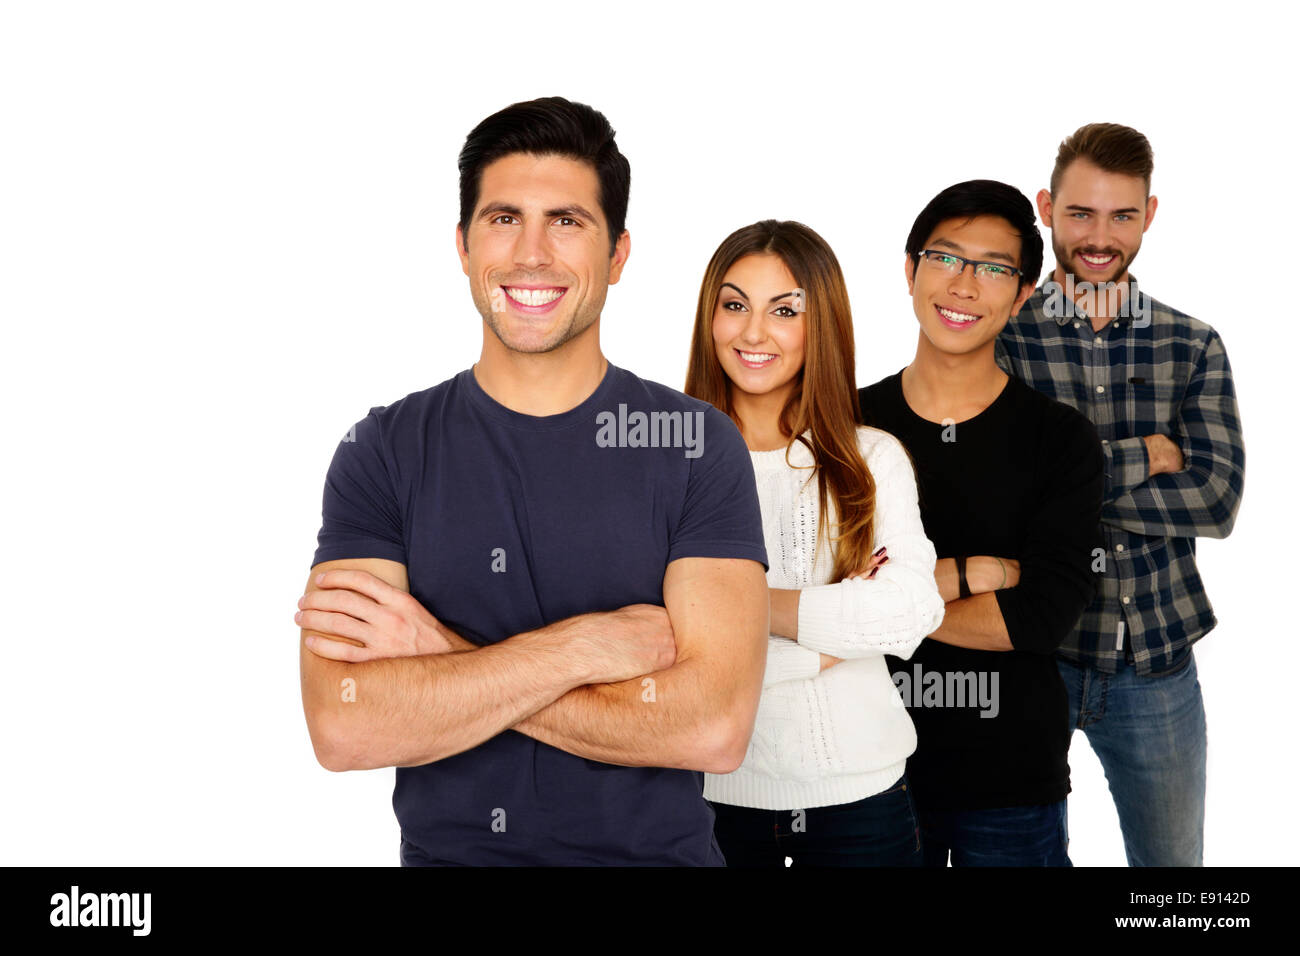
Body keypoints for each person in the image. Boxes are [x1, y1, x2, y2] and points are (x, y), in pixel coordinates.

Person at [293, 96, 770, 866]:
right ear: (462, 244)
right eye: (504, 218)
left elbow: (713, 729)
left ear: (617, 255)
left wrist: (438, 654)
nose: (532, 254)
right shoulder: (381, 450)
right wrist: (585, 647)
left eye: (568, 221)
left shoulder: (696, 444)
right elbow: (346, 727)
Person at [995, 123, 1246, 866]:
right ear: (1046, 207)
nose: (1099, 237)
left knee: (1172, 886)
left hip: (1155, 660)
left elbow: (1217, 501)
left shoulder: (1190, 344)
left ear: (1150, 214)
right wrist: (1150, 456)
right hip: (1030, 656)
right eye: (1080, 214)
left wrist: (1059, 492)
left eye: (1121, 216)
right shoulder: (1003, 339)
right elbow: (993, 490)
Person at [857, 180, 1104, 866]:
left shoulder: (1060, 438)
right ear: (910, 271)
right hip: (858, 777)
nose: (965, 285)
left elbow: (1041, 616)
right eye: (946, 258)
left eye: (994, 268)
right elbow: (812, 587)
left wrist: (879, 604)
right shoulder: (846, 426)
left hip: (1009, 784)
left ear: (1023, 293)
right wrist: (978, 574)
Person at [684, 220, 945, 866]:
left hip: (863, 807)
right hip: (711, 804)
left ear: (819, 322)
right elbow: (659, 648)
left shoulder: (872, 459)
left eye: (784, 311)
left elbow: (911, 611)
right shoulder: (670, 463)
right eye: (735, 304)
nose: (752, 332)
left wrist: (742, 608)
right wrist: (830, 641)